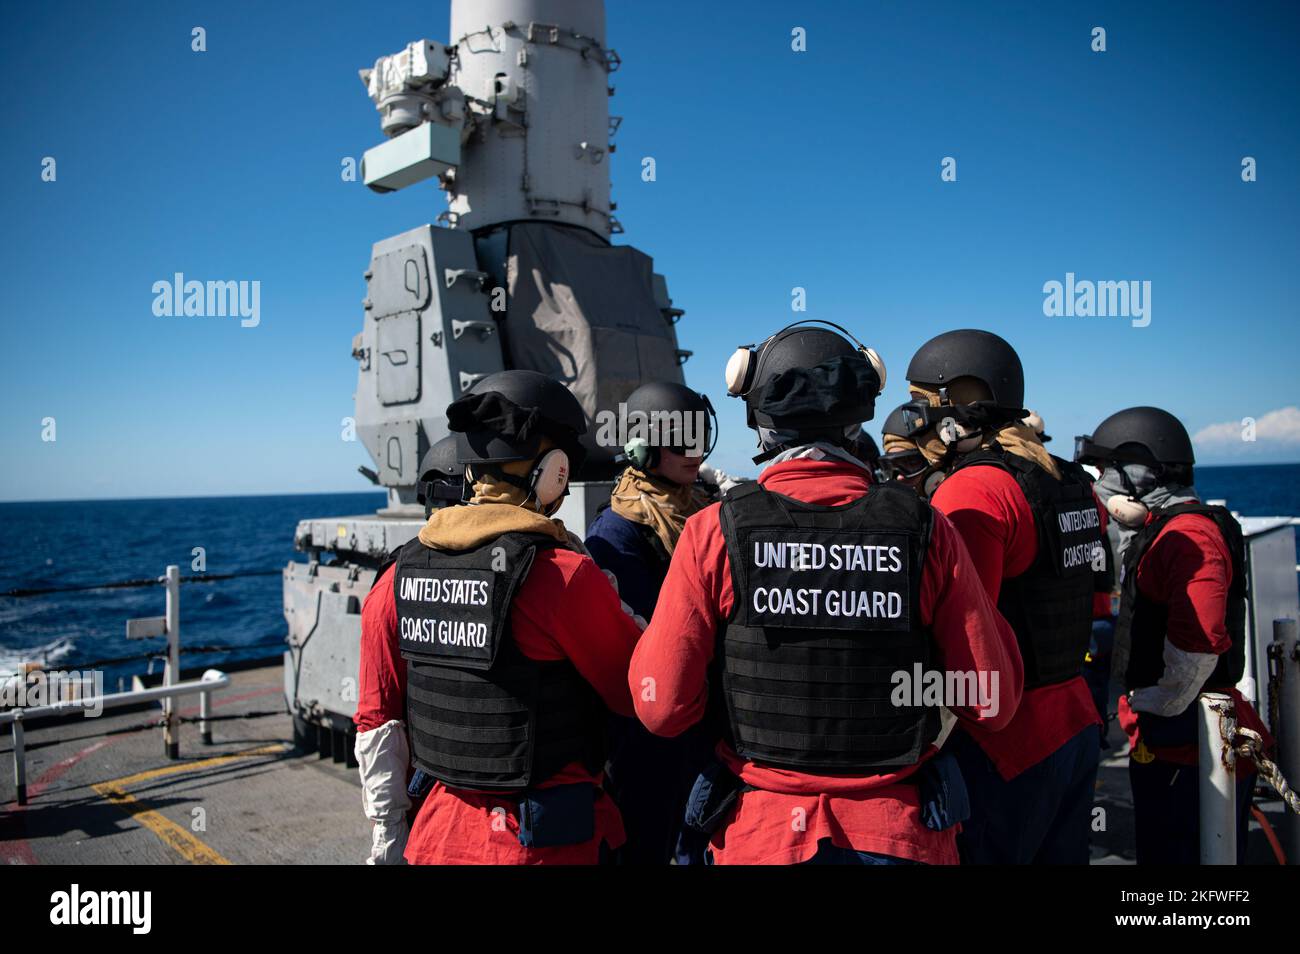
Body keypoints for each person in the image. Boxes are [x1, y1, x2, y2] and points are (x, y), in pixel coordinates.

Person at [629, 319, 1022, 865]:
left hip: (761, 837)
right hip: (899, 835)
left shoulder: (712, 531)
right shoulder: (929, 530)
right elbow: (989, 701)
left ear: (761, 422)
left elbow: (662, 707)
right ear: (858, 414)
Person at [353, 370, 644, 865]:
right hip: (545, 843)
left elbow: (377, 722)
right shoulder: (562, 576)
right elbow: (638, 693)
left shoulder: (397, 576)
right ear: (555, 468)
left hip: (437, 837)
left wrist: (388, 835)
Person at [902, 329, 1106, 864]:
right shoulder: (1067, 479)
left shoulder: (974, 491)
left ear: (959, 406)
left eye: (922, 403)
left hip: (1007, 744)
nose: (914, 419)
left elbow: (962, 635)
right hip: (1076, 720)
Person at [1077, 406, 1273, 864]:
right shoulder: (1167, 531)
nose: (1102, 483)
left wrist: (1153, 704)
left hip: (1191, 746)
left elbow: (1200, 641)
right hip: (1175, 739)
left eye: (1109, 471)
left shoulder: (1188, 537)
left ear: (1141, 476)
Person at [584, 380, 719, 864]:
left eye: (700, 436)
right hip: (648, 738)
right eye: (682, 440)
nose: (695, 451)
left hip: (698, 727)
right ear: (642, 449)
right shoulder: (617, 533)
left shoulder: (700, 511)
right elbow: (643, 639)